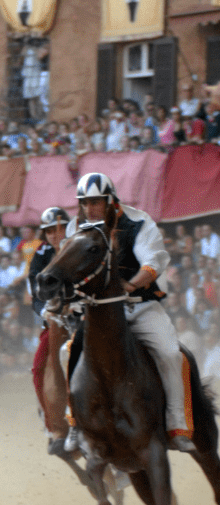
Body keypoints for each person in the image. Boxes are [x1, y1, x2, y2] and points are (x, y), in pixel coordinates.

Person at [65, 173, 195, 453]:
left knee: (171, 354)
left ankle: (177, 425)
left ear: (111, 200)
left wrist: (132, 283)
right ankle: (75, 423)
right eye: (85, 203)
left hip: (141, 304)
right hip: (101, 312)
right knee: (68, 351)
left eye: (96, 202)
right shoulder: (75, 227)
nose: (90, 209)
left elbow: (153, 262)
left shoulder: (138, 222)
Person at [27, 207, 69, 431]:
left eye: (60, 229)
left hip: (85, 315)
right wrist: (47, 313)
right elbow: (35, 295)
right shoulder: (40, 255)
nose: (55, 234)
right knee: (38, 368)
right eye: (50, 230)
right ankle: (51, 423)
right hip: (55, 321)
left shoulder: (81, 245)